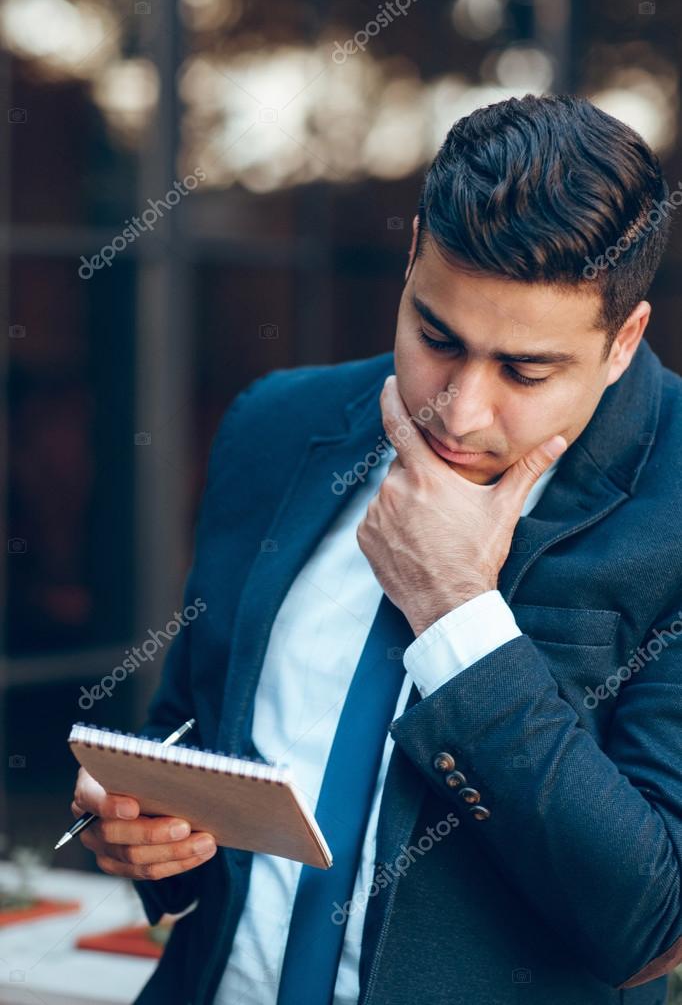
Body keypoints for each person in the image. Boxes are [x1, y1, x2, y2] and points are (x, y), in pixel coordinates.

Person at [72, 93, 682, 1005]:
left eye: (525, 369)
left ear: (623, 339)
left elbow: (649, 924)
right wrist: (149, 843)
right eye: (437, 336)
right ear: (408, 265)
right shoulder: (275, 426)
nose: (459, 409)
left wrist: (455, 611)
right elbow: (192, 727)